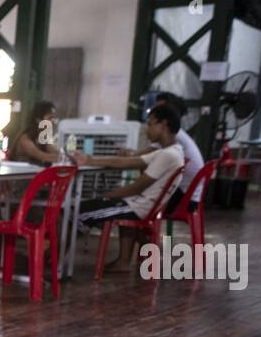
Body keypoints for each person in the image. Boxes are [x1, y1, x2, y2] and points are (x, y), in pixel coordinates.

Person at [73, 103, 185, 273]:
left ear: (164, 125)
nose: (147, 129)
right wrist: (90, 160)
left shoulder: (168, 155)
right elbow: (128, 162)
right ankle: (123, 261)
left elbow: (137, 188)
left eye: (150, 124)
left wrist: (108, 195)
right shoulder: (171, 151)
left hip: (137, 206)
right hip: (141, 205)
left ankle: (55, 261)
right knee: (90, 206)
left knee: (77, 212)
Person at [137, 92, 204, 214]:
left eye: (161, 109)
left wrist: (125, 156)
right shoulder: (177, 134)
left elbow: (142, 157)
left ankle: (153, 229)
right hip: (188, 195)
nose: (155, 111)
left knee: (138, 203)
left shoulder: (171, 136)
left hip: (183, 198)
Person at [11, 100, 61, 166]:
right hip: (20, 172)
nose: (53, 121)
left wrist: (68, 156)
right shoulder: (25, 138)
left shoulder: (42, 137)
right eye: (50, 118)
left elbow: (55, 151)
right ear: (38, 120)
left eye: (54, 118)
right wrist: (64, 158)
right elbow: (42, 156)